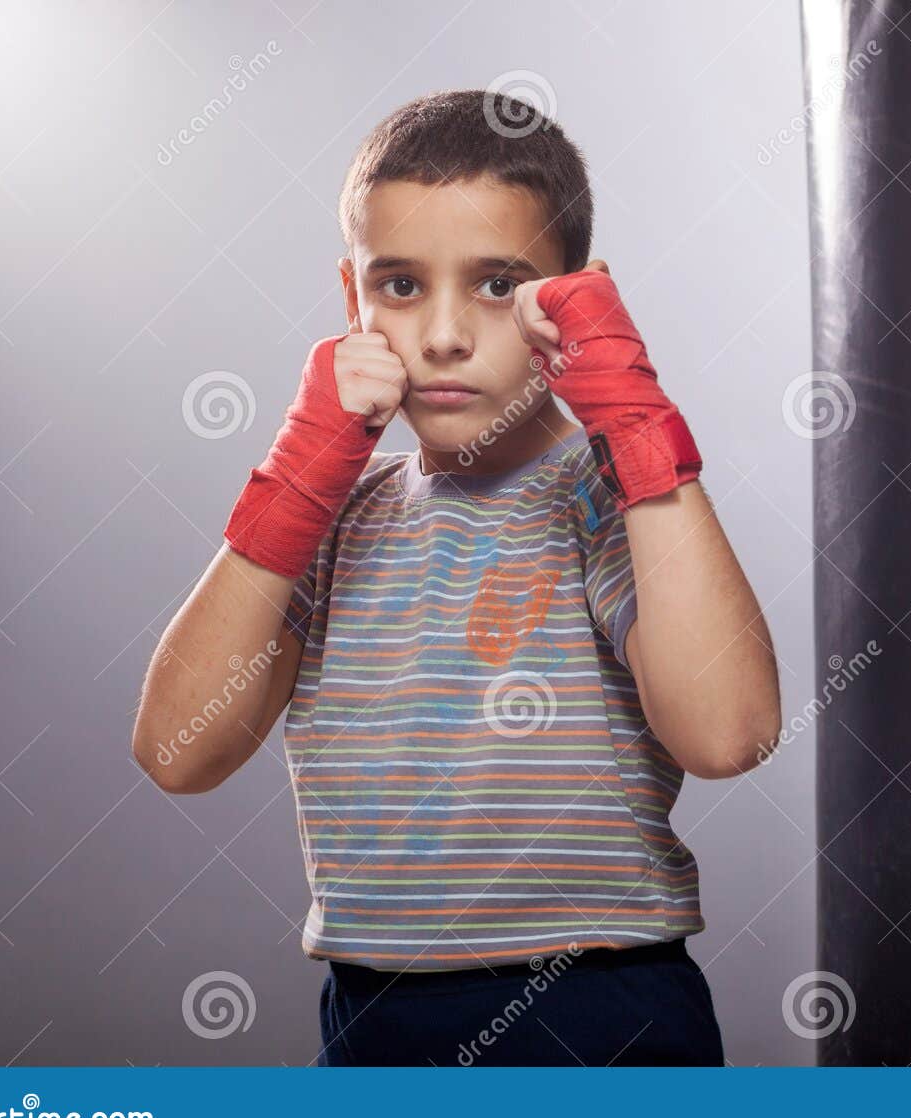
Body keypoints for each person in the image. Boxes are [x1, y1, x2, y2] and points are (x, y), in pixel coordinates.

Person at [131, 88, 782, 1066]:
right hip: (372, 1015)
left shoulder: (604, 500)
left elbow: (728, 732)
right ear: (352, 300)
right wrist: (296, 477)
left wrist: (637, 430)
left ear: (575, 298)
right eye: (398, 285)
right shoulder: (335, 517)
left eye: (493, 285)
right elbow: (179, 751)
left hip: (598, 1012)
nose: (441, 334)